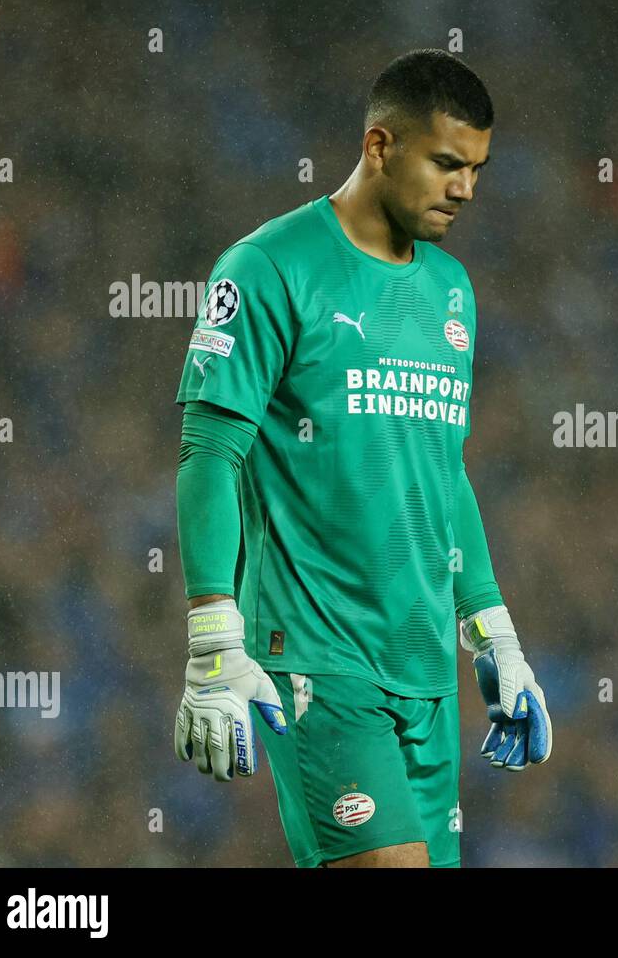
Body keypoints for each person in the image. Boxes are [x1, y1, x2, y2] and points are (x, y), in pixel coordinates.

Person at [170, 48, 551, 869]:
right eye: (447, 163)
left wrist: (493, 636)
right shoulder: (269, 267)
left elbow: (442, 471)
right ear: (380, 147)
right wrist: (210, 637)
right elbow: (210, 451)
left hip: (425, 671)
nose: (466, 189)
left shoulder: (452, 291)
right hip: (318, 658)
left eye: (478, 170)